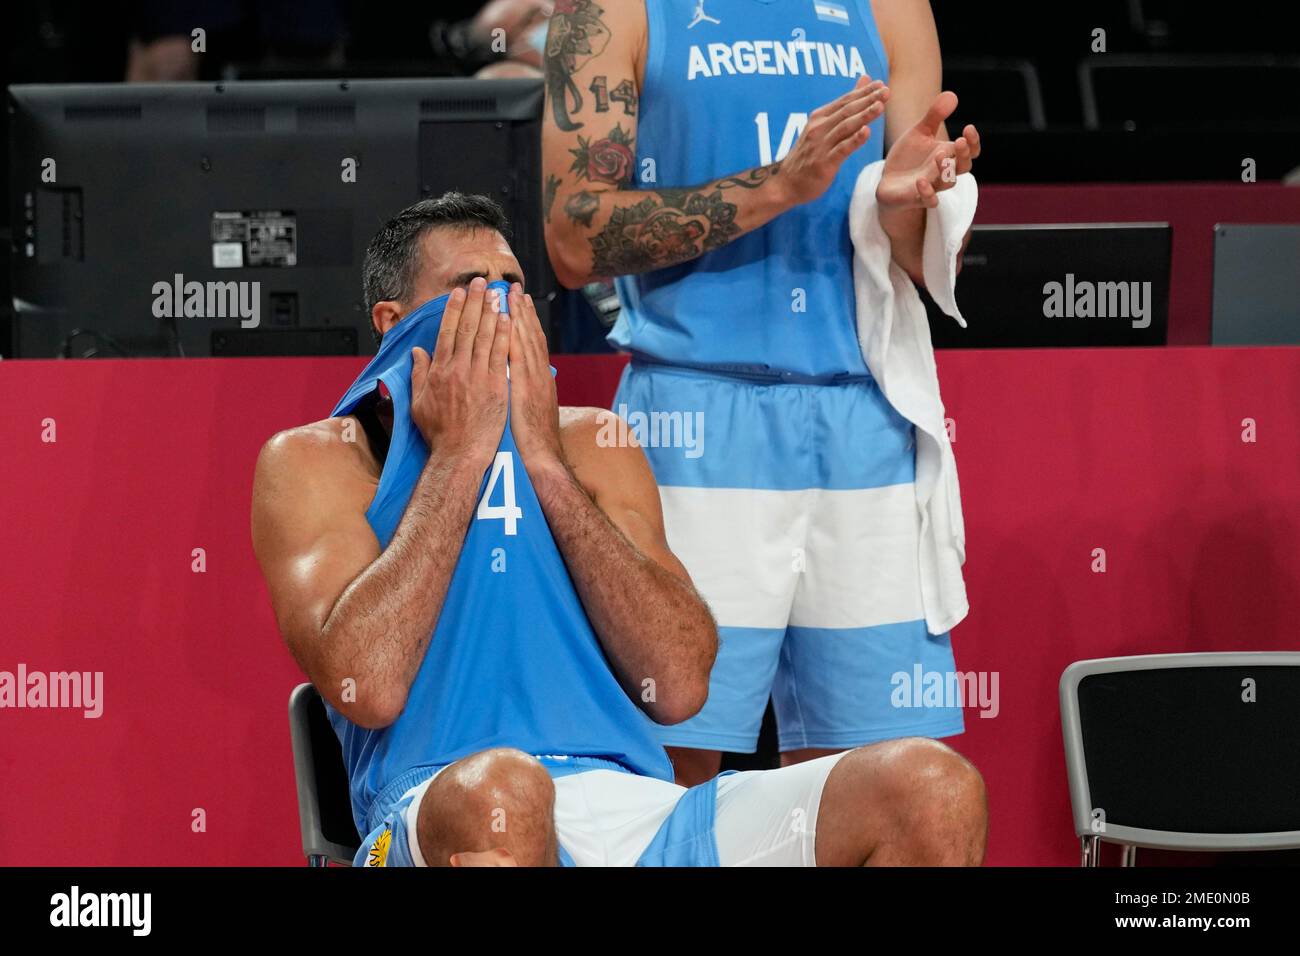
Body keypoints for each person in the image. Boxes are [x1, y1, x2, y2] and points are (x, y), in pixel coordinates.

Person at [251, 192, 986, 866]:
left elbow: (678, 684)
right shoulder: (318, 461)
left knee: (931, 788)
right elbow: (368, 685)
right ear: (392, 324)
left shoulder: (593, 444)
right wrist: (461, 453)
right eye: (472, 290)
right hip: (440, 802)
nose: (503, 310)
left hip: (637, 812)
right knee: (503, 793)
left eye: (515, 290)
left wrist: (542, 460)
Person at [541, 0, 981, 786]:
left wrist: (909, 202)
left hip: (865, 419)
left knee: (894, 785)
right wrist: (777, 186)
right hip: (691, 424)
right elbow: (574, 237)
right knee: (668, 776)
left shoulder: (894, 9)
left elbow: (914, 257)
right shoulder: (610, 10)